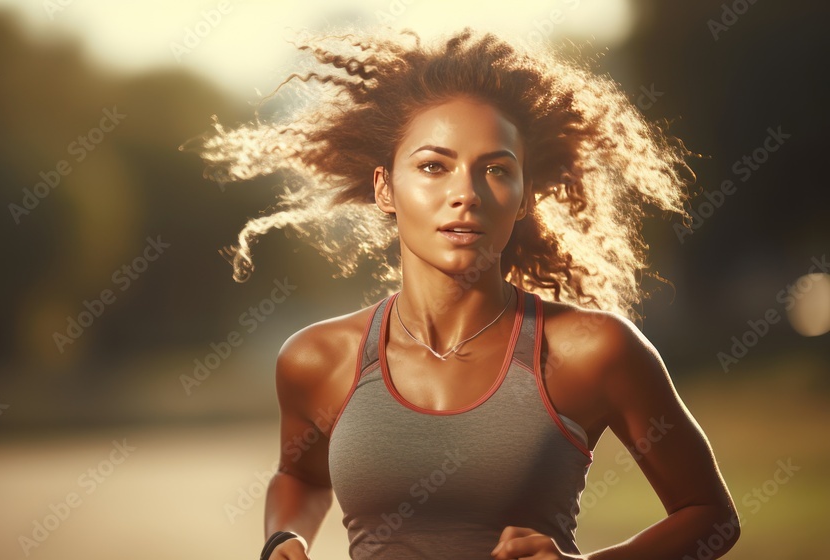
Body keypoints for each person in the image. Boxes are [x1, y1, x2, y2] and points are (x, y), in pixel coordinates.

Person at [189, 26, 740, 560]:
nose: (466, 194)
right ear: (385, 187)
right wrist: (283, 538)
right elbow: (300, 476)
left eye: (496, 170)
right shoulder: (316, 359)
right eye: (434, 166)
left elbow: (711, 516)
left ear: (525, 196)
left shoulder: (595, 350)